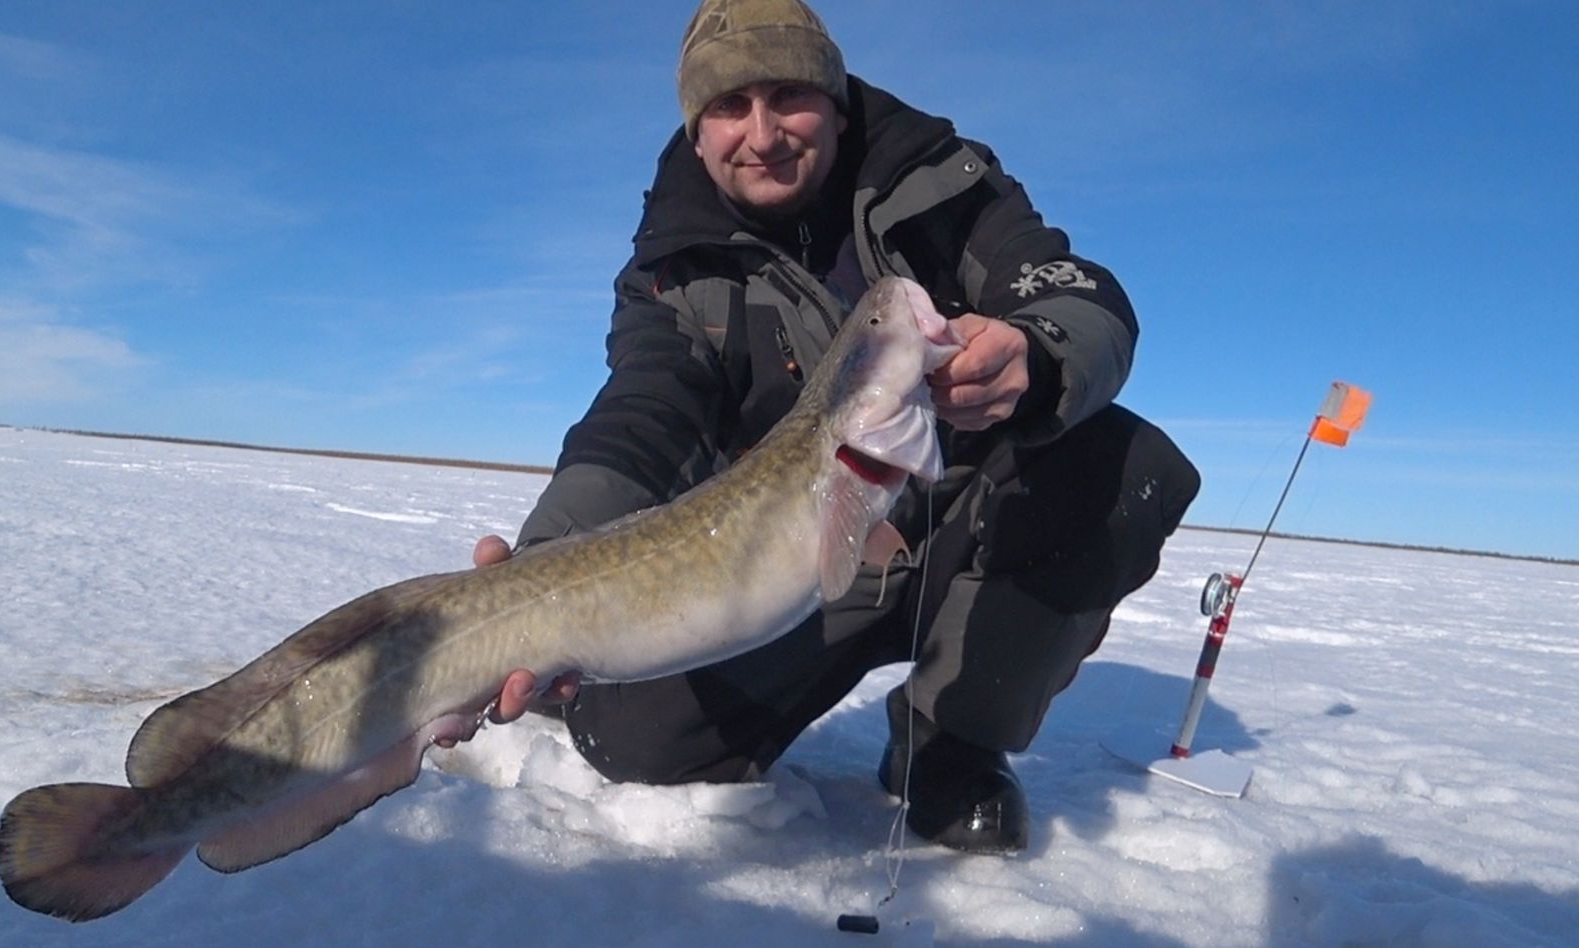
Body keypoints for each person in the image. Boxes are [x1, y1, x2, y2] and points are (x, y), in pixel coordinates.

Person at [468, 0, 1200, 854]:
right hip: (787, 559)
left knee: (1124, 467)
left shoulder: (941, 182)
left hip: (958, 516)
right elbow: (642, 411)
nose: (763, 132)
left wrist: (1036, 355)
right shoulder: (670, 271)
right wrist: (553, 553)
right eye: (728, 107)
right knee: (640, 746)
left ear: (837, 100)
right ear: (696, 131)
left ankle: (948, 746)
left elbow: (1072, 290)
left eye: (790, 96)